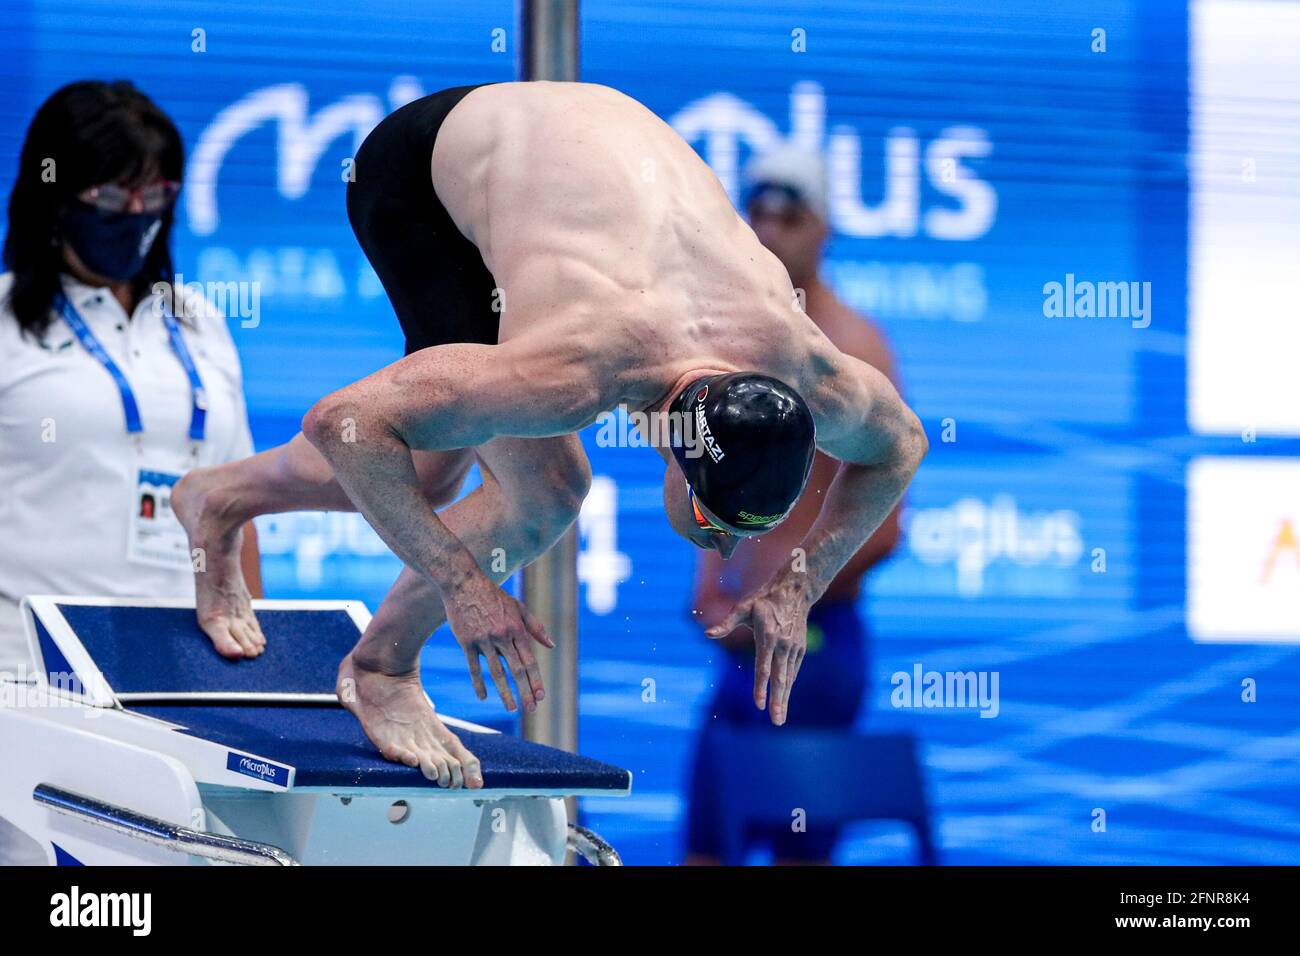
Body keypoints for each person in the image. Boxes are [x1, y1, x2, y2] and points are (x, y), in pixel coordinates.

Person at [173, 81, 927, 789]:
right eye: (716, 520)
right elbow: (345, 424)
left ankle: (219, 497)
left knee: (459, 470)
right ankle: (379, 670)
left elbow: (903, 447)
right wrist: (465, 585)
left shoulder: (806, 364)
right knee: (523, 489)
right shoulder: (575, 371)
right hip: (422, 175)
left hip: (573, 148)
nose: (723, 549)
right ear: (681, 456)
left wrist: (800, 584)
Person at [0, 80, 262, 863]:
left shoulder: (200, 324)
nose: (137, 213)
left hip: (178, 684)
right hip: (21, 679)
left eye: (157, 193)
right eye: (113, 193)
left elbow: (239, 502)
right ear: (54, 193)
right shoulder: (6, 323)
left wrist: (257, 678)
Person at [685, 147, 904, 865]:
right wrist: (712, 588)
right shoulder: (740, 340)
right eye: (760, 215)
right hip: (743, 647)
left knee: (798, 859)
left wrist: (789, 595)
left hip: (817, 643)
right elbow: (708, 481)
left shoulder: (854, 348)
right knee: (705, 853)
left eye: (791, 217)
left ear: (824, 229)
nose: (771, 232)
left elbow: (884, 527)